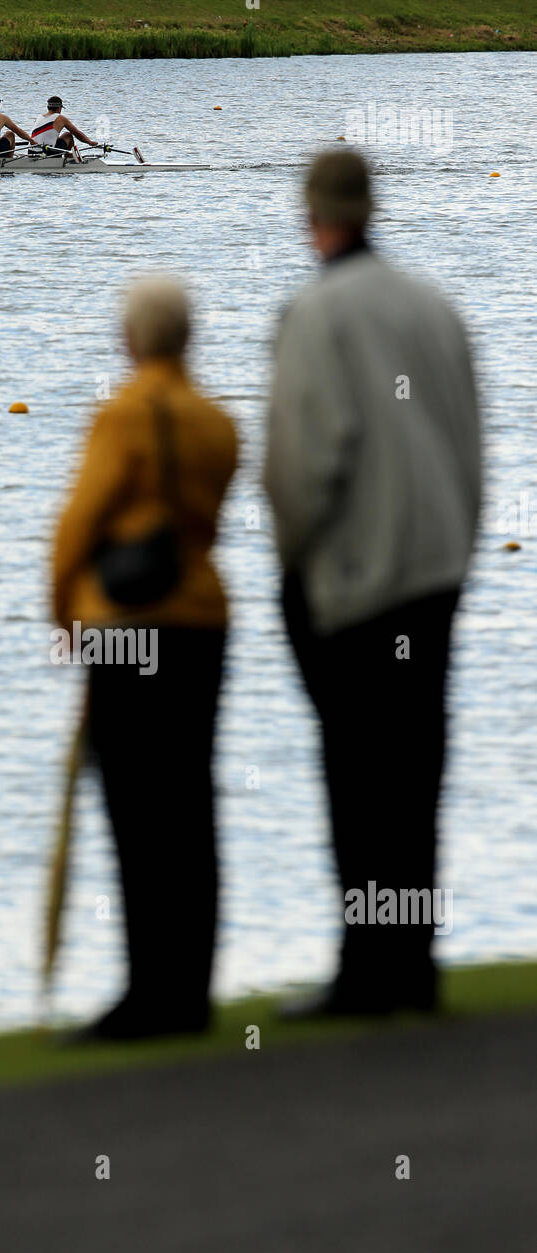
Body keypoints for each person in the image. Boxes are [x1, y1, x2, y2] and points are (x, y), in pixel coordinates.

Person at [262, 148, 482, 1019]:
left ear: (311, 216)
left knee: (357, 773)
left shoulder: (316, 314)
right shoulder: (435, 307)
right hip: (436, 576)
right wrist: (458, 552)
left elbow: (304, 465)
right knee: (417, 770)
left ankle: (365, 966)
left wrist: (293, 561)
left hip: (357, 578)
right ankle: (413, 962)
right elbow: (471, 446)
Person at [53, 277, 238, 1042]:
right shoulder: (217, 422)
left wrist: (64, 614)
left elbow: (78, 524)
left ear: (129, 339)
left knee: (135, 809)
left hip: (127, 625)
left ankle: (146, 992)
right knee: (190, 802)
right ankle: (190, 990)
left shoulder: (122, 414)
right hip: (201, 619)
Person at [30, 97, 98, 154]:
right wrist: (90, 142)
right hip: (47, 152)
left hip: (31, 151)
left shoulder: (39, 117)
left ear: (48, 107)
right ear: (59, 108)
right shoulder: (60, 118)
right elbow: (77, 133)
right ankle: (69, 161)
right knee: (68, 135)